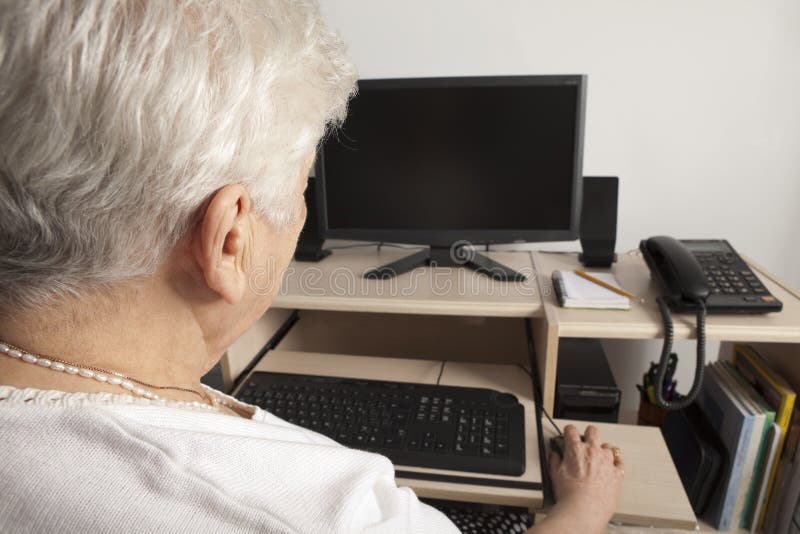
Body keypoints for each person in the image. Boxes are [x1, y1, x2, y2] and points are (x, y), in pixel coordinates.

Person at [0, 1, 624, 532]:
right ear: (229, 242)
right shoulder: (324, 511)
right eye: (304, 186)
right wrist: (585, 507)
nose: (304, 208)